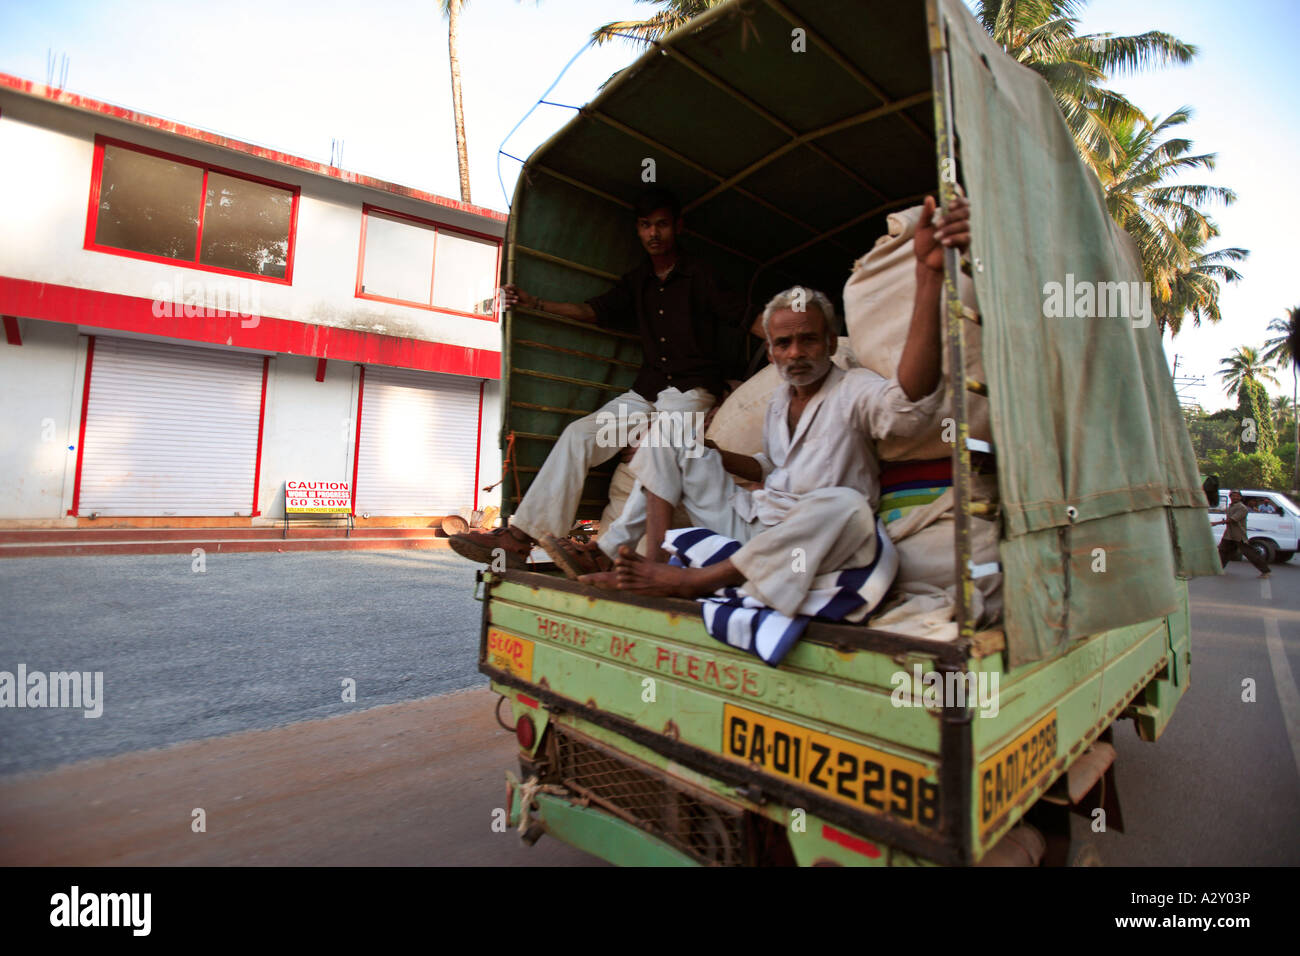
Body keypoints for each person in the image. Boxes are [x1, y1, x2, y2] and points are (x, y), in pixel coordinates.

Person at [554, 195, 970, 612]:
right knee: (668, 439)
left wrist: (929, 276)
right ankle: (653, 563)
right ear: (770, 353)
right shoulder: (777, 401)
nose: (795, 353)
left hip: (807, 539)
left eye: (808, 339)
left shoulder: (853, 388)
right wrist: (715, 454)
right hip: (754, 523)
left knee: (847, 505)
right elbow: (768, 467)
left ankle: (694, 580)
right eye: (783, 344)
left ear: (829, 343)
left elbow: (909, 400)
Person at [448, 186, 749, 569]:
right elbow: (593, 311)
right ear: (638, 231)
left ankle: (608, 555)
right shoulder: (638, 280)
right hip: (647, 392)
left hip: (690, 393)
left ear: (678, 227)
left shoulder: (701, 275)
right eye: (645, 226)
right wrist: (535, 303)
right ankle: (521, 539)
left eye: (661, 225)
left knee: (656, 458)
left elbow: (743, 316)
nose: (653, 233)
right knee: (580, 436)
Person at [1213, 490, 1271, 577]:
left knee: (1249, 553)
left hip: (1238, 535)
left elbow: (1232, 520)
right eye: (1233, 496)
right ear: (1230, 497)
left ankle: (1265, 571)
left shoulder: (1242, 508)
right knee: (1223, 551)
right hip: (1229, 534)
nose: (1235, 497)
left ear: (1240, 497)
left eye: (1237, 496)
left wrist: (1215, 523)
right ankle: (1219, 569)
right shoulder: (1230, 507)